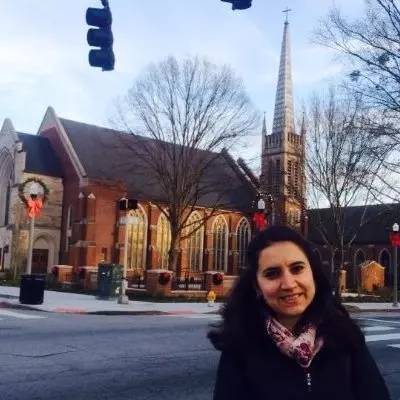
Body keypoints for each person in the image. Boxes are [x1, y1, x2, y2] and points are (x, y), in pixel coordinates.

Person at [208, 225, 391, 400]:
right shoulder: (239, 348)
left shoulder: (347, 337)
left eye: (297, 269)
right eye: (272, 274)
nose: (288, 284)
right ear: (257, 286)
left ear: (313, 273)